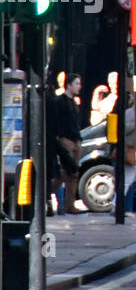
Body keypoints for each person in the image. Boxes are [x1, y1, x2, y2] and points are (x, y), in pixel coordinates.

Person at [47, 72, 83, 213]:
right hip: (66, 139)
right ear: (68, 85)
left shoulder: (74, 102)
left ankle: (70, 204)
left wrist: (79, 139)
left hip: (75, 139)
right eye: (76, 83)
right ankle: (48, 192)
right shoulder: (60, 101)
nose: (79, 87)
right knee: (66, 171)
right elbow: (57, 121)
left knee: (73, 173)